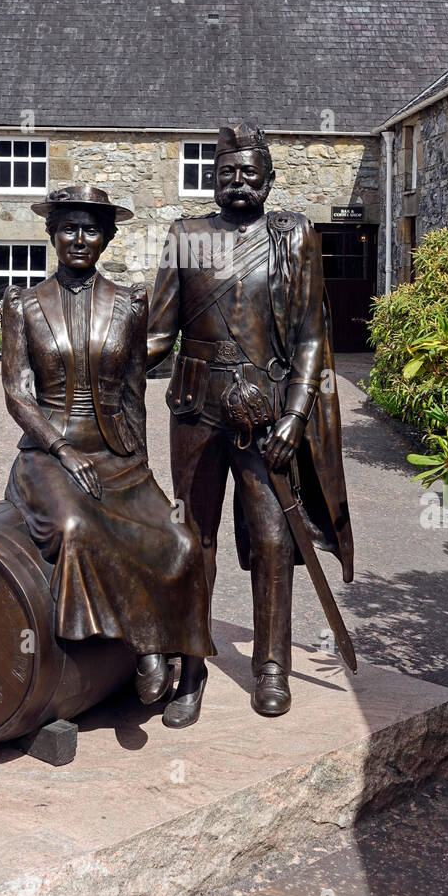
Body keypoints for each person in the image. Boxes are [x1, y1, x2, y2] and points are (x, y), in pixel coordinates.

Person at [147, 123, 354, 723]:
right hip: (197, 408)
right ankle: (191, 668)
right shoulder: (187, 237)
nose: (238, 181)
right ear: (213, 180)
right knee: (195, 537)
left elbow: (313, 337)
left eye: (249, 172)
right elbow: (160, 332)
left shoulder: (295, 238)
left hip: (267, 411)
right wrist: (103, 365)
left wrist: (294, 416)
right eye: (226, 172)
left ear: (268, 179)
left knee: (272, 538)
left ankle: (271, 665)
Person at [2, 184, 215, 726]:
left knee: (181, 540)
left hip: (118, 456)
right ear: (51, 235)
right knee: (77, 528)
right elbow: (16, 393)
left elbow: (134, 392)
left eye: (91, 229)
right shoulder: (23, 305)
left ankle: (191, 672)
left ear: (107, 238)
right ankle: (146, 648)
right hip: (49, 456)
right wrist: (60, 448)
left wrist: (142, 471)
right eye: (68, 227)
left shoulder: (130, 303)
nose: (79, 238)